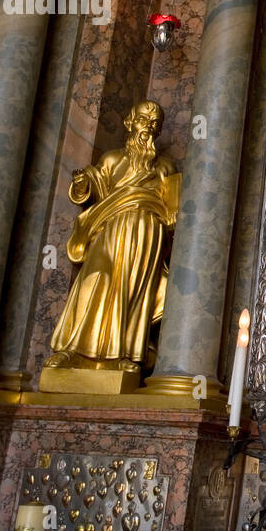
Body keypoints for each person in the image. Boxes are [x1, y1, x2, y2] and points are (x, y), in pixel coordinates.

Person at [45, 100, 180, 373]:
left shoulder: (164, 167)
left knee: (131, 292)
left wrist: (172, 216)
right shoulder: (112, 159)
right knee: (95, 278)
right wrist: (83, 183)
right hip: (111, 227)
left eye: (155, 124)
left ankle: (125, 355)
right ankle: (71, 349)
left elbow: (174, 210)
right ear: (130, 122)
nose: (148, 127)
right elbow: (94, 186)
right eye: (143, 120)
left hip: (146, 231)